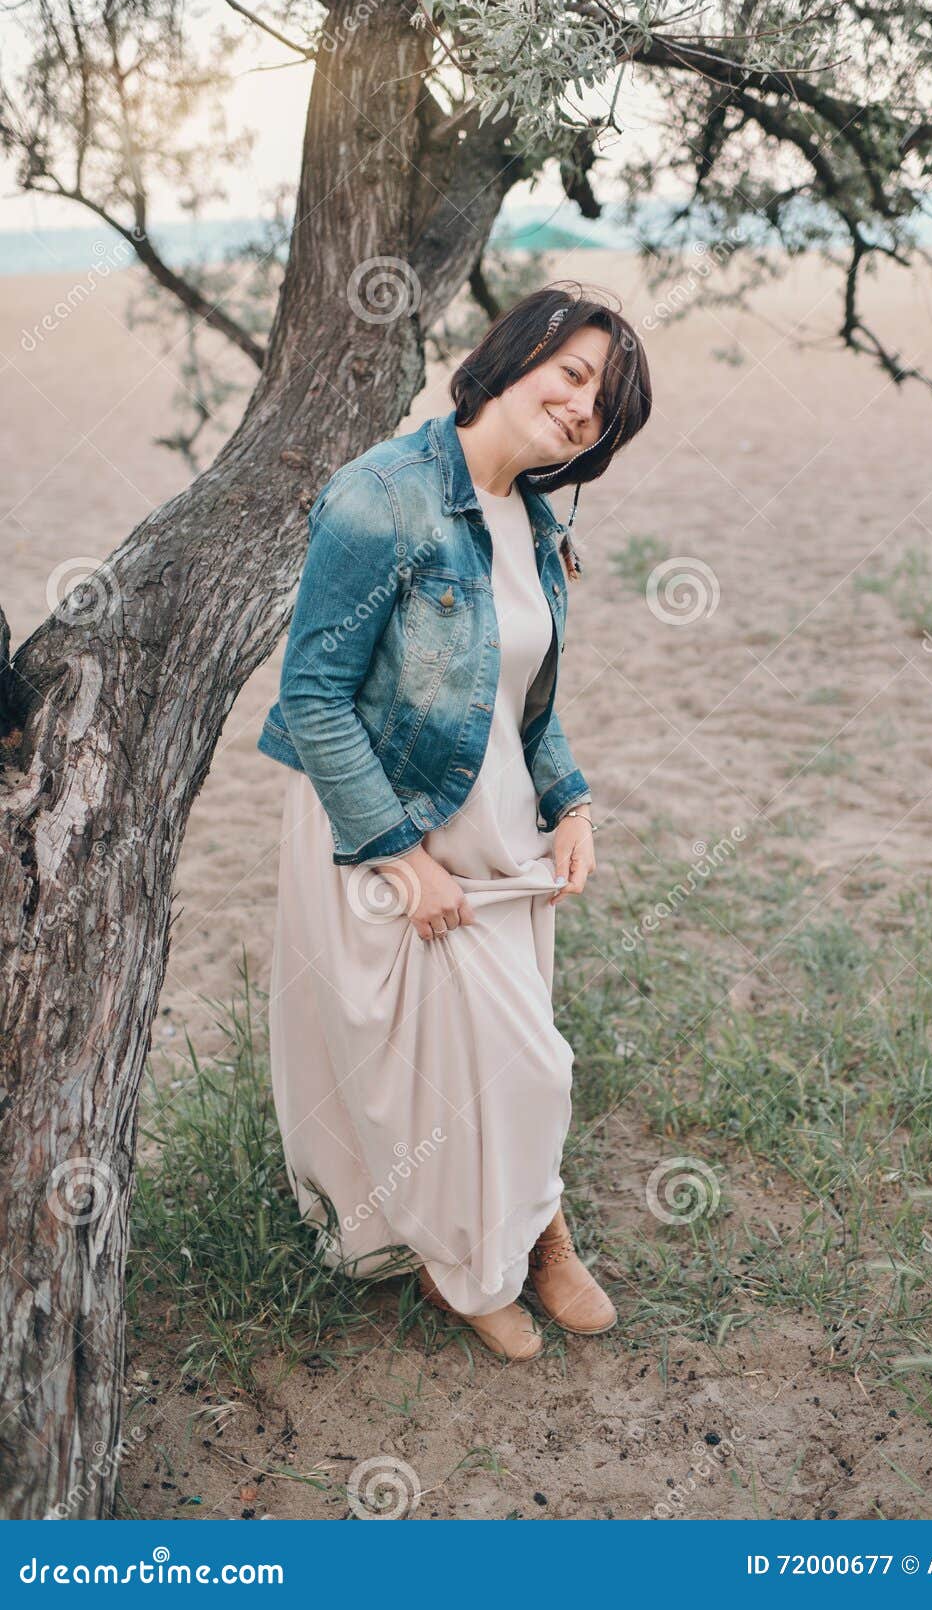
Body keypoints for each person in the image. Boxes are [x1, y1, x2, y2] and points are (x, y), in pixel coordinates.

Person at [256, 281, 653, 1362]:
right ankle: (478, 1259)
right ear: (516, 353)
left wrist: (571, 801)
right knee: (518, 1063)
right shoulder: (381, 493)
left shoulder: (534, 520)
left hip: (503, 823)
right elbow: (311, 697)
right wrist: (394, 849)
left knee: (502, 1055)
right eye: (573, 374)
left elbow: (523, 699)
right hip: (391, 812)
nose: (581, 408)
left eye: (602, 406)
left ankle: (531, 1233)